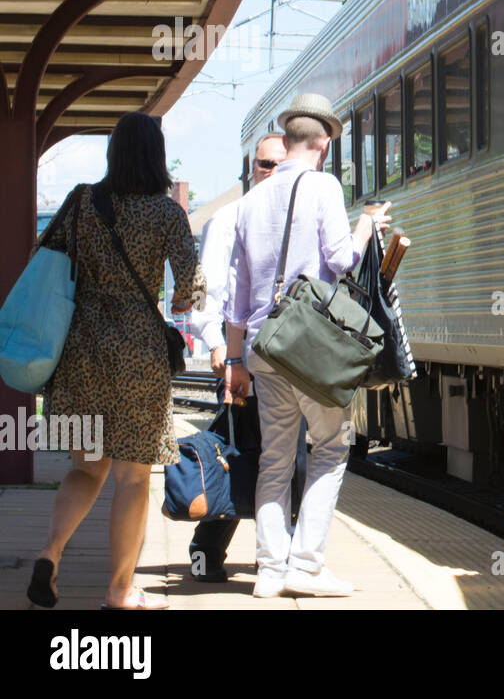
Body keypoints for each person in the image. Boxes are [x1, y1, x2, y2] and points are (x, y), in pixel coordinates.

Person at [27, 113, 205, 610]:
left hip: (81, 349)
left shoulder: (83, 201)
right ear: (155, 156)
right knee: (131, 478)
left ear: (114, 154)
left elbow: (44, 259)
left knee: (85, 470)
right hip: (138, 356)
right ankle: (120, 590)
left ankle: (49, 554)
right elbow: (188, 292)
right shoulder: (167, 213)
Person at [223, 93, 389, 598]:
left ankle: (270, 571)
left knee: (274, 459)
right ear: (320, 145)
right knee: (331, 450)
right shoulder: (323, 185)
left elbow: (235, 291)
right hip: (310, 349)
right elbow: (340, 261)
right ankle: (306, 565)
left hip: (264, 346)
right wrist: (365, 228)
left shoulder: (248, 202)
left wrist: (235, 360)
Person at [186, 133, 286, 582]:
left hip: (288, 362)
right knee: (236, 450)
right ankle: (208, 552)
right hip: (241, 360)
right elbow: (208, 293)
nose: (274, 172)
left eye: (282, 165)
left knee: (276, 456)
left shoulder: (296, 218)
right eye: (266, 164)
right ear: (250, 169)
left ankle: (281, 555)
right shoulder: (228, 219)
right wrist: (219, 349)